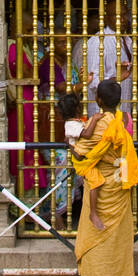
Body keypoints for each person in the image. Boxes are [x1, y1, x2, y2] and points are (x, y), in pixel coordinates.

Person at [71, 79, 138, 276]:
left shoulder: (97, 124)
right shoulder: (126, 120)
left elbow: (81, 153)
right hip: (119, 183)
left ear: (98, 100)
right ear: (119, 101)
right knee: (118, 239)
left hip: (98, 185)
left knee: (96, 236)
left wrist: (69, 144)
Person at [8, 6, 49, 195]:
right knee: (25, 144)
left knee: (32, 143)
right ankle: (24, 193)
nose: (33, 33)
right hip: (21, 102)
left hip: (28, 100)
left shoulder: (23, 46)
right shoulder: (13, 46)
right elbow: (24, 75)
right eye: (28, 29)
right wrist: (41, 65)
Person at [84, 0, 133, 119]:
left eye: (125, 14)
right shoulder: (98, 42)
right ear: (106, 18)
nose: (122, 19)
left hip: (124, 109)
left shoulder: (127, 40)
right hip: (103, 114)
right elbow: (93, 82)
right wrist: (116, 79)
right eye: (117, 15)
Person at [51, 92, 84, 230]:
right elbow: (85, 135)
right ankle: (58, 216)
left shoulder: (73, 123)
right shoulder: (73, 125)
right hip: (78, 158)